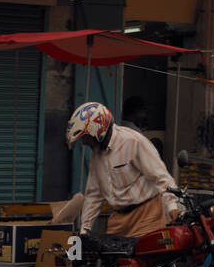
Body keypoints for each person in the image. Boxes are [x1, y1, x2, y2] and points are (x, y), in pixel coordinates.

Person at [66, 101, 181, 238]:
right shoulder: (96, 154)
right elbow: (94, 194)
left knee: (144, 256)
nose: (85, 142)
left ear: (97, 130)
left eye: (85, 137)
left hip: (146, 214)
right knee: (112, 257)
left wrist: (172, 205)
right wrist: (85, 229)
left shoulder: (134, 142)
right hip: (118, 217)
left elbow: (160, 177)